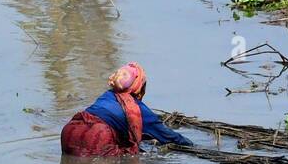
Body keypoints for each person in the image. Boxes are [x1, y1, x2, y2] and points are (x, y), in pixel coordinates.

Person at [61, 62, 192, 157]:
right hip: (97, 136)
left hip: (69, 130)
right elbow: (169, 136)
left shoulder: (106, 96)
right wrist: (191, 145)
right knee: (134, 160)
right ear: (139, 87)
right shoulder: (139, 111)